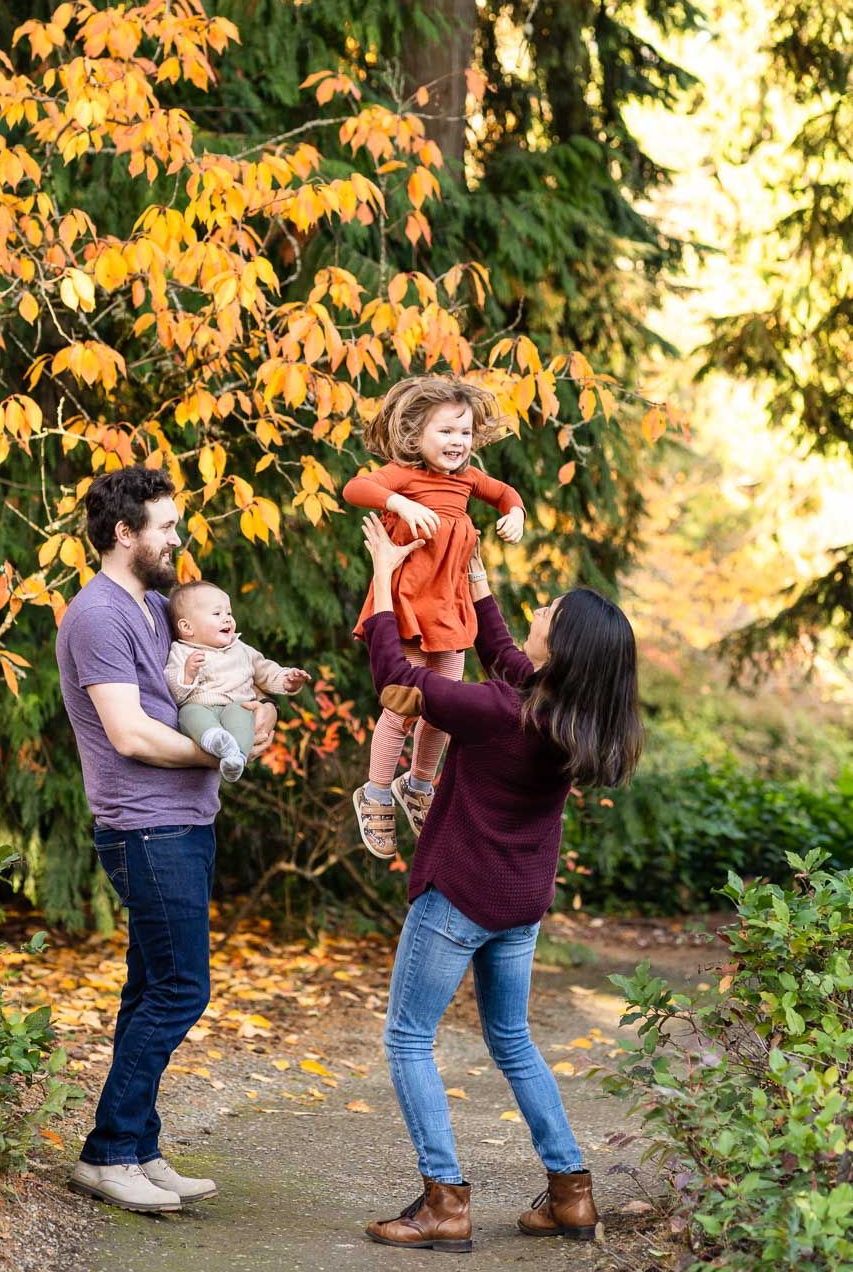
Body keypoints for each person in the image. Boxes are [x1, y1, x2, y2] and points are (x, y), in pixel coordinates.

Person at [358, 511, 643, 1253]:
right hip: (518, 904)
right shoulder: (566, 716)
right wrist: (473, 573)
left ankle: (443, 1203)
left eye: (549, 612)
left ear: (567, 645)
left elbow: (396, 677)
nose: (537, 610)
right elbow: (501, 650)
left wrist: (385, 575)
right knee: (512, 1040)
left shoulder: (495, 712)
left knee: (408, 1038)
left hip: (459, 897)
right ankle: (570, 1193)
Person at [55, 466, 277, 1215]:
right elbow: (130, 734)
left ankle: (140, 1149)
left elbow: (200, 696)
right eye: (167, 527)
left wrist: (247, 719)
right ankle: (108, 1151)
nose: (178, 540)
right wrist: (223, 754)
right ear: (125, 533)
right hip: (145, 826)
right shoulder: (96, 616)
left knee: (149, 988)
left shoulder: (156, 608)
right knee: (183, 988)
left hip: (185, 821)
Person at [342, 377, 525, 858]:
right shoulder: (403, 476)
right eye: (445, 432)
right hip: (407, 609)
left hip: (452, 612)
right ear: (415, 435)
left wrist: (516, 514)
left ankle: (419, 785)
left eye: (464, 434)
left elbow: (506, 492)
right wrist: (397, 501)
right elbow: (356, 487)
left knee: (448, 708)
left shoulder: (467, 480)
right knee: (402, 705)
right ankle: (377, 792)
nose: (457, 443)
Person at [164, 579, 310, 780]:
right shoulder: (181, 652)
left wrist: (286, 680)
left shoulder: (241, 649)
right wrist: (188, 674)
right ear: (187, 627)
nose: (227, 619)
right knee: (188, 715)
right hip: (200, 706)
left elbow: (265, 670)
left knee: (242, 715)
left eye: (229, 613)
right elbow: (173, 690)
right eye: (217, 614)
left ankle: (236, 758)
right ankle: (215, 739)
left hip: (237, 704)